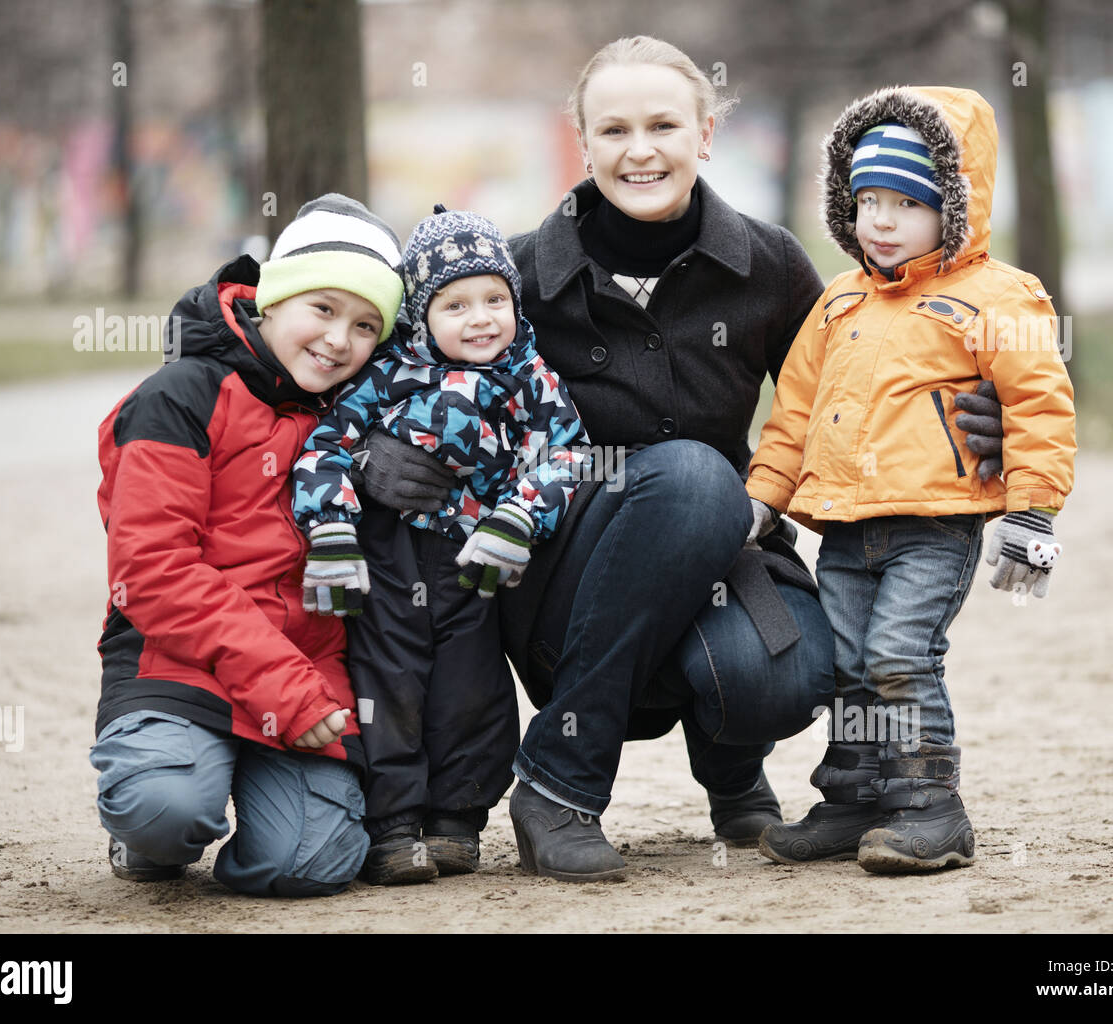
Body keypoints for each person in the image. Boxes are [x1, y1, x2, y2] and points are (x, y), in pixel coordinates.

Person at [353, 37, 1007, 882]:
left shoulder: (768, 264)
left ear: (705, 133)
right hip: (555, 572)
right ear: (583, 144)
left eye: (663, 124)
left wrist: (964, 405)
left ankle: (734, 775)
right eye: (614, 129)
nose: (640, 149)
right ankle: (558, 783)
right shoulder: (509, 277)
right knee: (692, 473)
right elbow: (363, 358)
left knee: (784, 669)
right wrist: (369, 452)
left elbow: (853, 377)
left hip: (725, 552)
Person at [748, 87, 1076, 872]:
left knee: (899, 654)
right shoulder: (839, 301)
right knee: (847, 663)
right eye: (867, 201)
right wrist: (763, 496)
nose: (882, 222)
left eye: (907, 202)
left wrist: (1032, 516)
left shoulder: (999, 296)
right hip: (847, 527)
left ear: (953, 208)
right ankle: (857, 795)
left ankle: (932, 806)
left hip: (934, 523)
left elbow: (1039, 405)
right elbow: (794, 412)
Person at [89, 194, 406, 896]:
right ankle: (156, 821)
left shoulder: (362, 418)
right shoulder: (178, 397)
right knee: (164, 809)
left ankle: (256, 796)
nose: (338, 340)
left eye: (364, 326)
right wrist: (282, 689)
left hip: (308, 670)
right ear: (272, 298)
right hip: (179, 664)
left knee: (309, 863)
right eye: (321, 309)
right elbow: (151, 571)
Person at [292, 206, 591, 884]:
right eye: (455, 304)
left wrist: (520, 516)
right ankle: (393, 825)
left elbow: (568, 456)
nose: (480, 317)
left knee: (472, 689)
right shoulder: (389, 375)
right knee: (386, 683)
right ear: (421, 316)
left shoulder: (530, 379)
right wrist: (331, 529)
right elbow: (325, 446)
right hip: (389, 556)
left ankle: (458, 819)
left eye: (495, 299)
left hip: (475, 561)